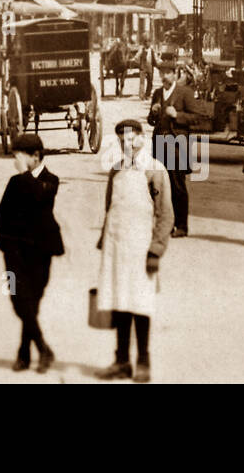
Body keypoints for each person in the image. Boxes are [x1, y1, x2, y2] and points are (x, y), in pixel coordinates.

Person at [94, 118, 172, 383]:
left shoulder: (155, 171)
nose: (126, 143)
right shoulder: (116, 171)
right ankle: (121, 361)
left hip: (141, 250)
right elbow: (110, 208)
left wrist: (155, 251)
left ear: (141, 138)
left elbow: (166, 215)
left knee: (140, 305)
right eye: (121, 139)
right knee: (119, 303)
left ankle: (143, 361)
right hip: (116, 248)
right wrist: (104, 243)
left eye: (130, 138)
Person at [0, 132, 63, 372]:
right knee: (17, 299)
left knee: (32, 300)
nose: (16, 161)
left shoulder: (51, 180)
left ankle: (24, 353)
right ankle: (43, 349)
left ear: (36, 156)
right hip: (13, 252)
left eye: (20, 157)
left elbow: (39, 197)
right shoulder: (15, 181)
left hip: (40, 252)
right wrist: (7, 240)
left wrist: (24, 173)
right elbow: (0, 216)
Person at [149, 66, 205, 237]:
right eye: (161, 73)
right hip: (159, 144)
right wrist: (153, 113)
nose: (164, 76)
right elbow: (152, 121)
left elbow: (197, 117)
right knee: (159, 186)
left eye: (167, 73)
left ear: (174, 74)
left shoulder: (185, 92)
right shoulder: (157, 93)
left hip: (177, 145)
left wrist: (177, 115)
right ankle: (166, 224)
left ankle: (182, 226)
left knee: (177, 185)